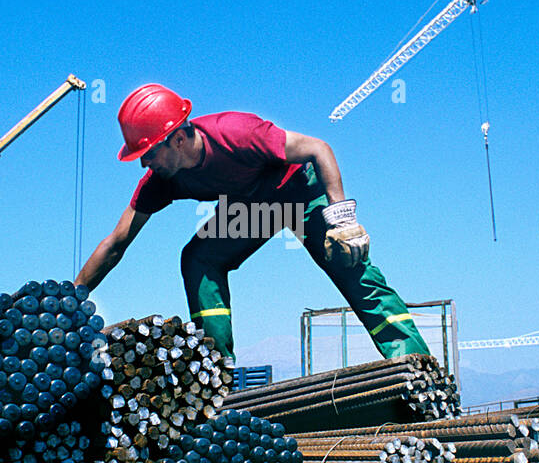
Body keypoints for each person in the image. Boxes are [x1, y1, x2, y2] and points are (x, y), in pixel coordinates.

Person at [75, 83, 431, 362]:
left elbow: (319, 148)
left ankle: (414, 362)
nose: (143, 164)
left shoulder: (238, 132)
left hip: (298, 191)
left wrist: (341, 219)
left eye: (149, 153)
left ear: (178, 139)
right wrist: (73, 297)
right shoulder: (162, 181)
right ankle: (216, 369)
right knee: (199, 258)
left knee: (347, 260)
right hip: (253, 209)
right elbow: (117, 242)